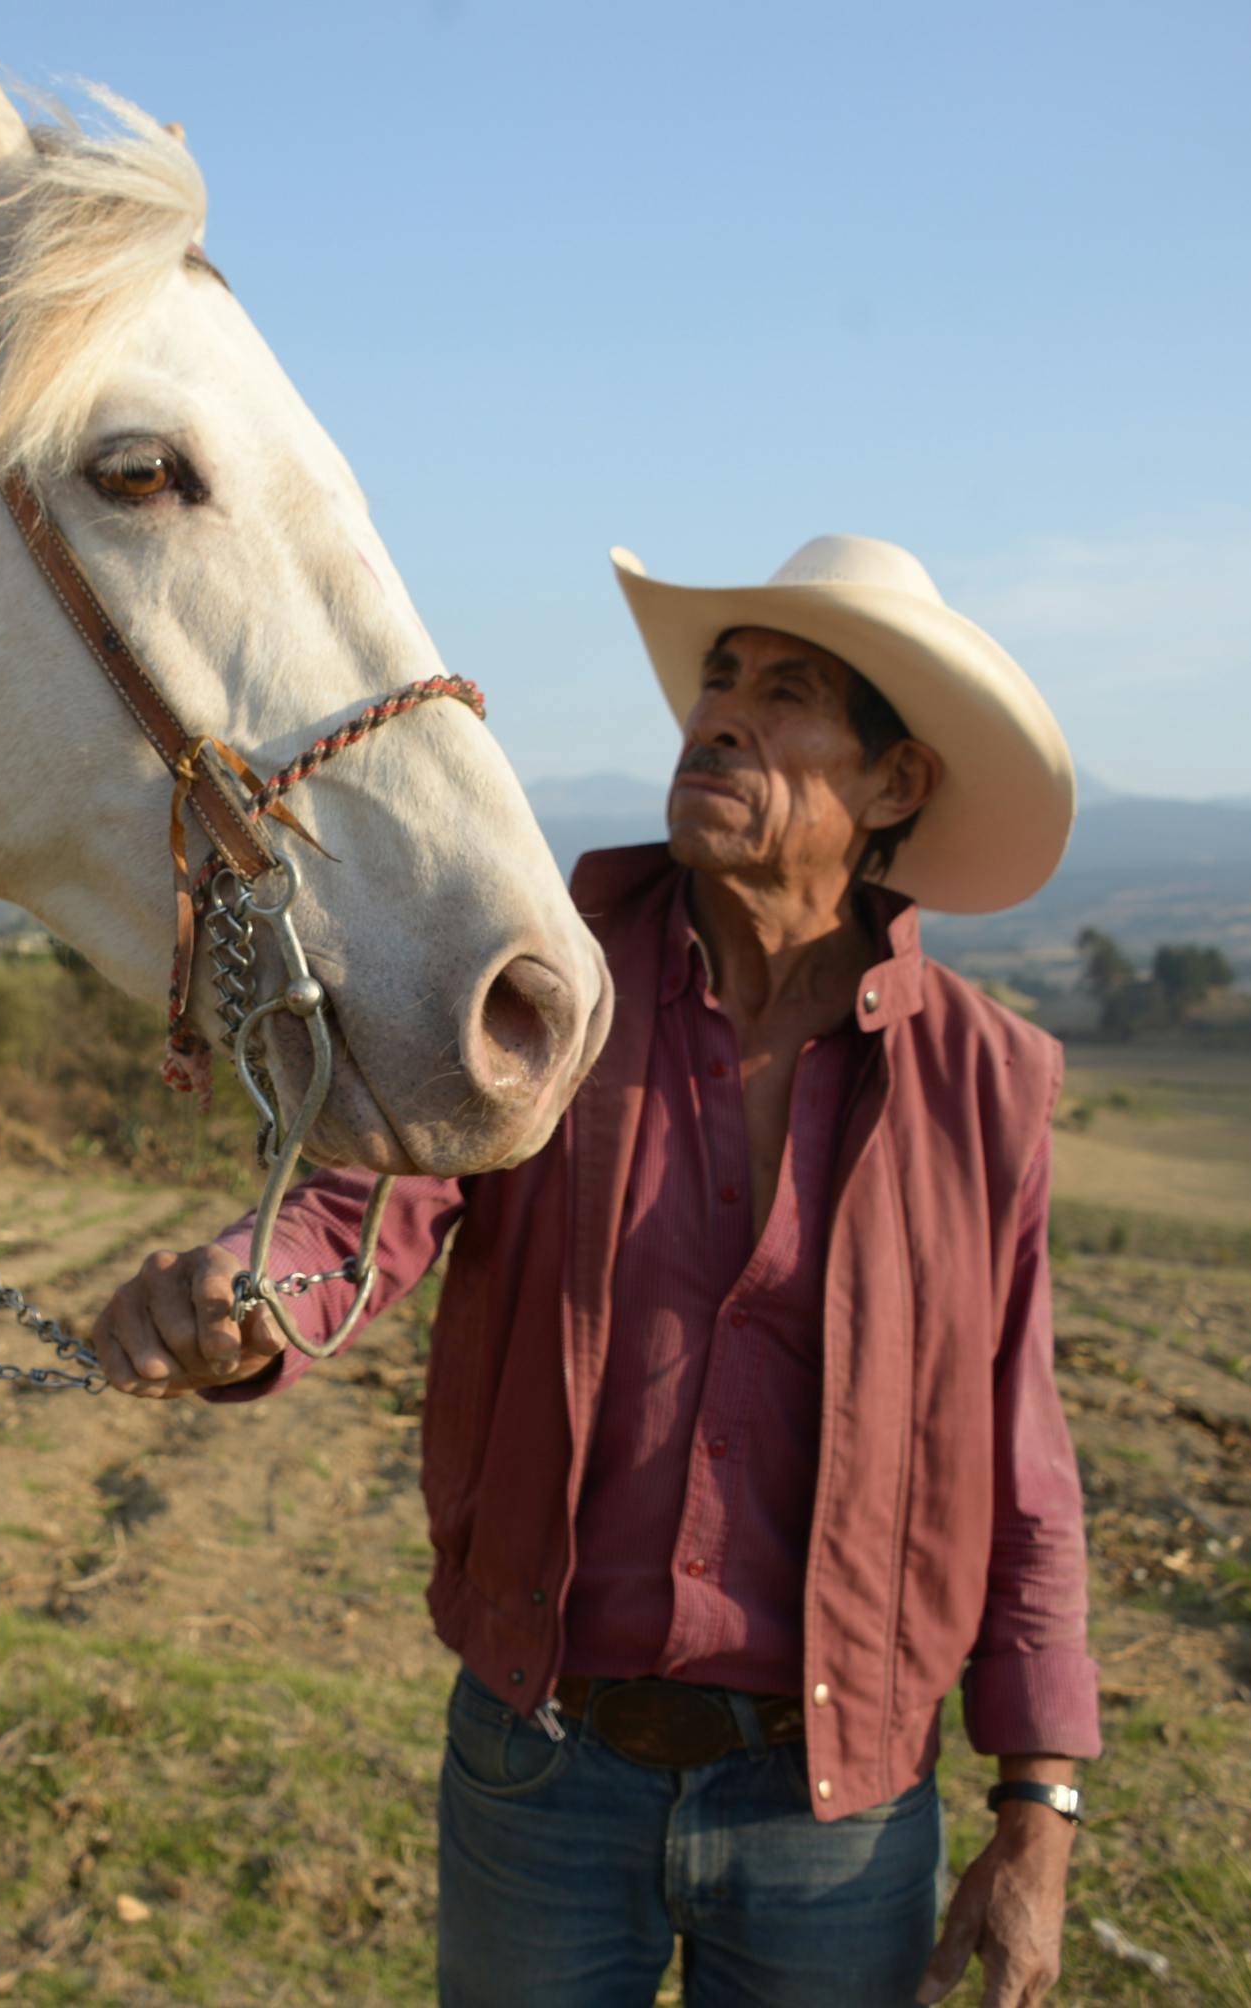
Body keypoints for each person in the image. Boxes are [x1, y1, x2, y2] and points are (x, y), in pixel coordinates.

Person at [91, 535, 1095, 2006]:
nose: (722, 717)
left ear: (895, 788)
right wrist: (245, 1296)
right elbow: (365, 1207)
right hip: (544, 1769)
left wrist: (1039, 1813)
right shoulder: (546, 986)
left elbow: (1024, 1474)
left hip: (840, 1809)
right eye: (721, 681)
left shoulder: (988, 1086)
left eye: (790, 692)